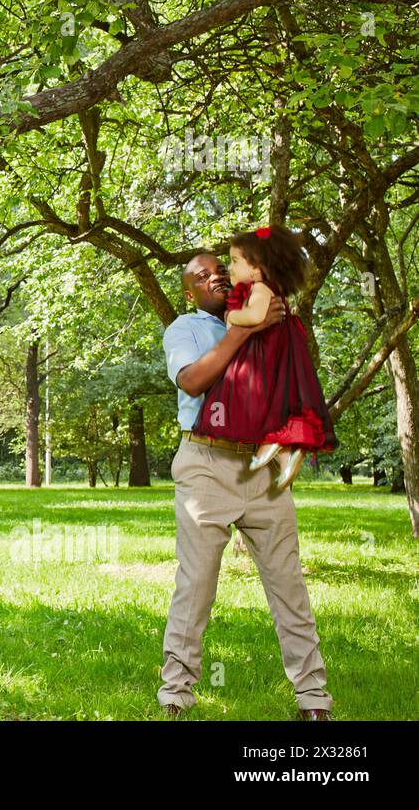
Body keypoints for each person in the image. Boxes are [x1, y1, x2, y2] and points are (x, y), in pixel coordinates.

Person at [159, 252, 332, 720]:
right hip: (206, 464)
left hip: (260, 466)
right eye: (200, 275)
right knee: (196, 585)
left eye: (219, 268)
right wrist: (243, 328)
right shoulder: (185, 330)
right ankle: (176, 694)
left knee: (288, 584)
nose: (213, 275)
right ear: (189, 291)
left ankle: (313, 700)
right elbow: (192, 381)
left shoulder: (269, 317)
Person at [190, 225, 336, 489]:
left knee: (257, 405)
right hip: (279, 356)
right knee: (275, 416)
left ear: (257, 268)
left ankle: (270, 454)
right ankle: (281, 460)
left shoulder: (261, 288)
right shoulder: (270, 288)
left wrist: (232, 316)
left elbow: (256, 317)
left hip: (265, 356)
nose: (229, 270)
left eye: (234, 262)